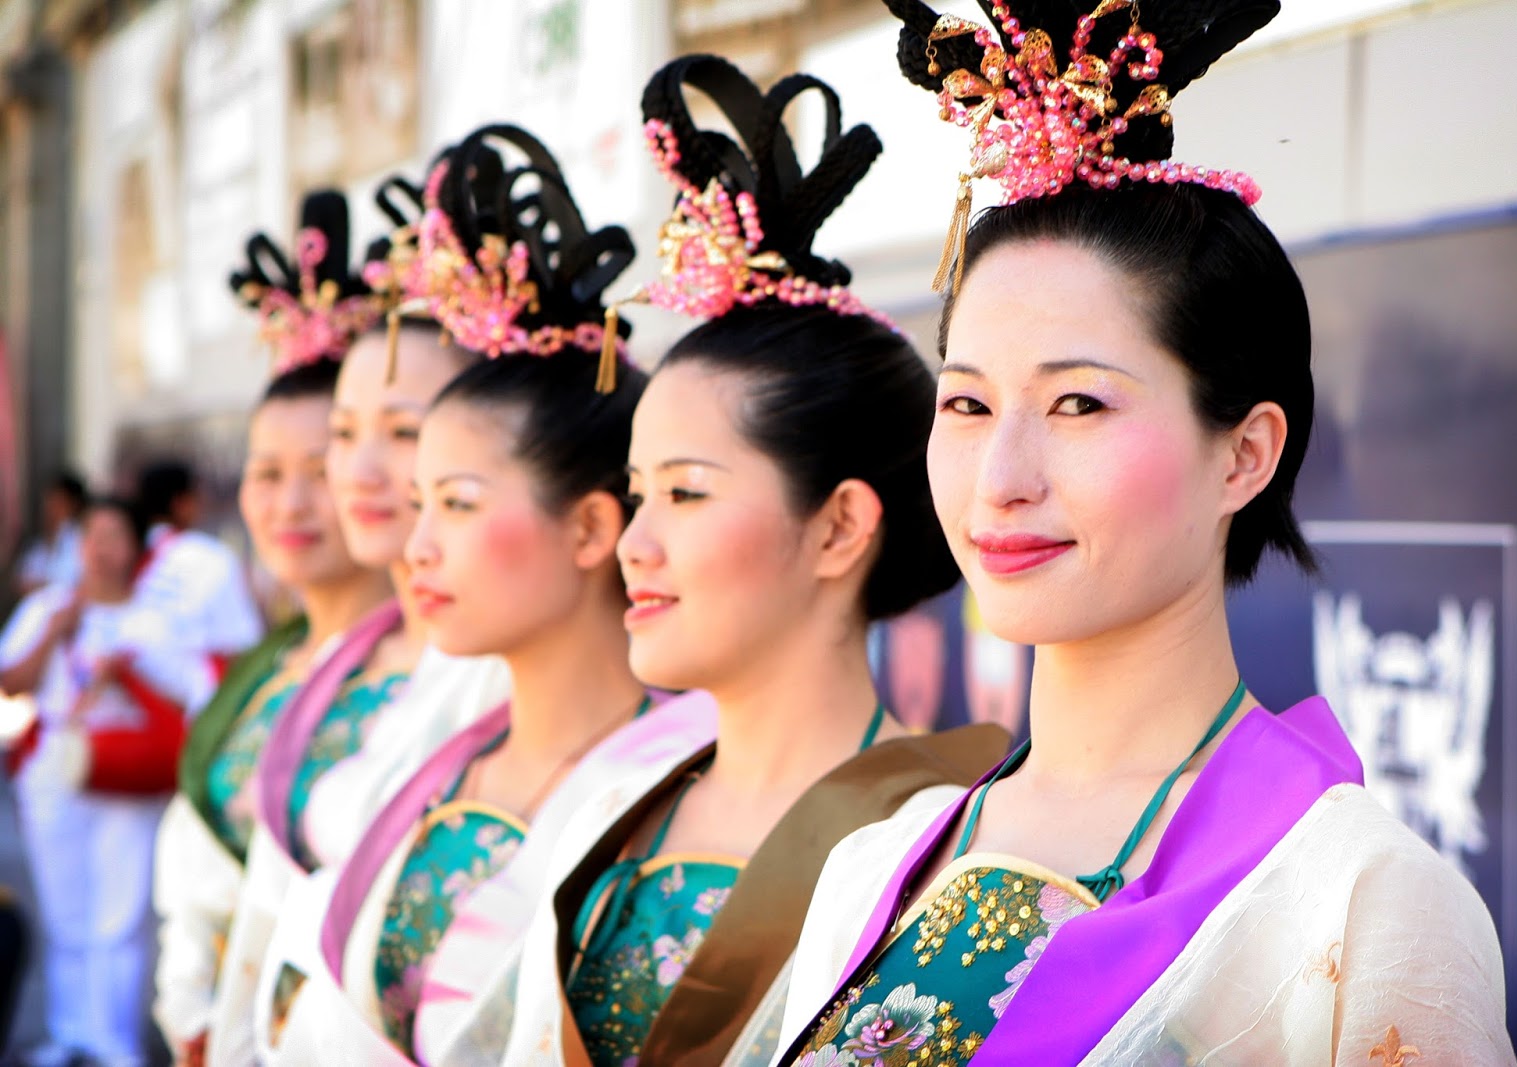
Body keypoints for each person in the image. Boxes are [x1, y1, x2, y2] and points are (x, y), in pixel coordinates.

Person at [772, 3, 1517, 1064]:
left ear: (1244, 454)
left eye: (1079, 404)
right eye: (968, 404)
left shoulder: (1355, 899)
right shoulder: (876, 864)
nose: (1001, 477)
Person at [499, 56, 1011, 1066]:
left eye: (686, 493)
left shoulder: (950, 843)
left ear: (837, 526)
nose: (635, 543)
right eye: (639, 494)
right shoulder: (611, 813)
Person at [260, 123, 718, 1065]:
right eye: (420, 503)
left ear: (592, 528)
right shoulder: (440, 753)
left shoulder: (683, 783)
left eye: (458, 504)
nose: (416, 545)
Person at [227, 152, 518, 1062]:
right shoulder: (366, 653)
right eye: (344, 436)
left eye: (404, 433)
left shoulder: (507, 683)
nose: (354, 473)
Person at [151, 190, 398, 1066]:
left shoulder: (428, 677)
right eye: (265, 472)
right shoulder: (264, 666)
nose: (289, 503)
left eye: (319, 469)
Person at [1, 497, 210, 1067]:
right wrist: (54, 632)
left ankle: (115, 1041)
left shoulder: (156, 621)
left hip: (129, 782)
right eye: (89, 534)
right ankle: (71, 1034)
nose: (99, 547)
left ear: (134, 547)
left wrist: (132, 671)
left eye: (114, 534)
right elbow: (11, 682)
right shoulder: (48, 608)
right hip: (56, 779)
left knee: (121, 915)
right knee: (67, 913)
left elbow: (198, 699)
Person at [133, 459, 264, 679]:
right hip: (195, 704)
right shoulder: (212, 557)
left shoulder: (125, 556)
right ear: (181, 503)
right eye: (197, 498)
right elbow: (245, 645)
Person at [14, 470, 86, 596]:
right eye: (48, 501)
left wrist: (42, 585)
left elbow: (73, 584)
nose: (50, 508)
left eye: (58, 502)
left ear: (74, 504)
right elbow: (22, 582)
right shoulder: (39, 545)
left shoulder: (82, 542)